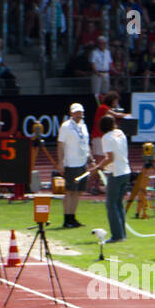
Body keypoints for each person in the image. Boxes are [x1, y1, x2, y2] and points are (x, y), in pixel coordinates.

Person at [57, 102, 94, 229]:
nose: (79, 115)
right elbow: (60, 144)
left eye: (81, 112)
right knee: (70, 191)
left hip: (82, 162)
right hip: (71, 163)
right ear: (72, 113)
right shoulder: (66, 126)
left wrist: (91, 158)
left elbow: (86, 143)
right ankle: (67, 218)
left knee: (78, 192)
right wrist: (60, 161)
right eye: (77, 112)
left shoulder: (83, 126)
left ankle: (73, 217)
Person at [95, 113, 131, 243]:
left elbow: (110, 158)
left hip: (116, 173)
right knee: (118, 204)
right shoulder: (120, 133)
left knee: (111, 205)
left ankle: (117, 235)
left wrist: (98, 167)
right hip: (126, 170)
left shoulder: (106, 137)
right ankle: (122, 234)